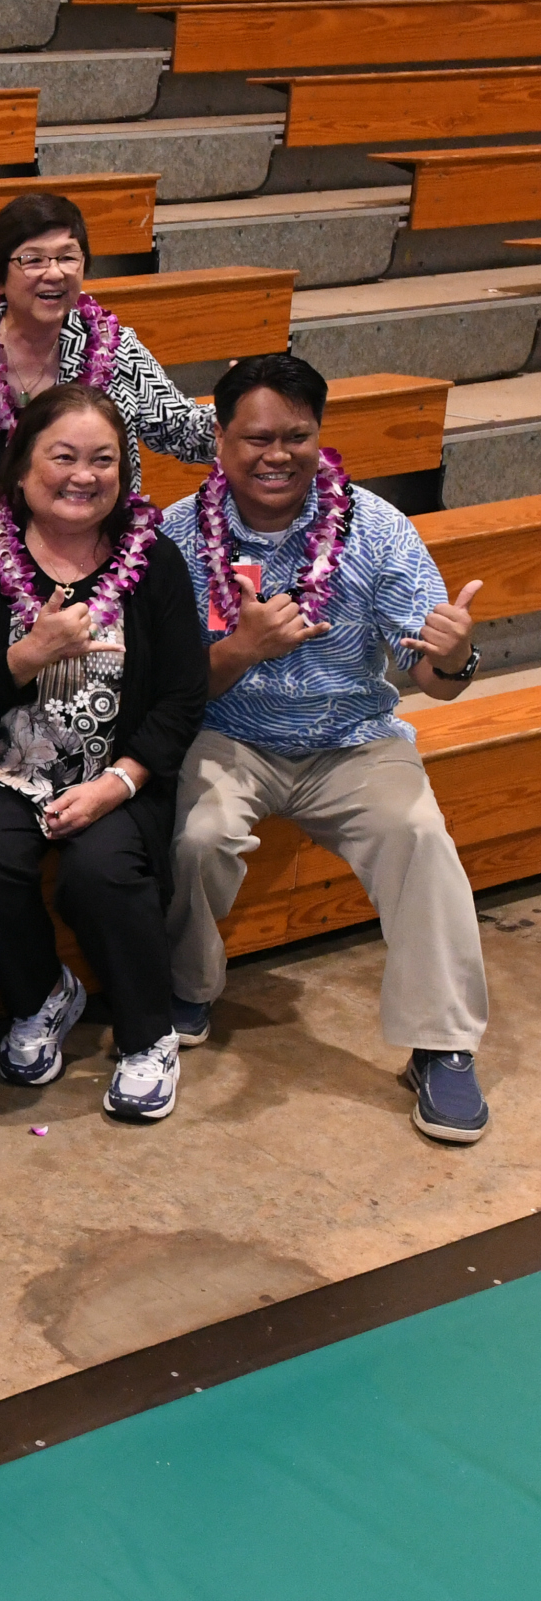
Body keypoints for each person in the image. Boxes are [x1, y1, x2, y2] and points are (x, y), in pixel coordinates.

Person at [161, 353, 492, 1140]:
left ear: (321, 436)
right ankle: (187, 987)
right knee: (197, 835)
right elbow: (167, 694)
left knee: (420, 834)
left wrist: (450, 656)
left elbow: (436, 679)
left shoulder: (376, 528)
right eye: (257, 437)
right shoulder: (176, 534)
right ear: (221, 438)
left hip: (353, 738)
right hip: (230, 734)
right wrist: (240, 649)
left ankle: (442, 1046)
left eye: (298, 437)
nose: (277, 455)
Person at [0, 384, 205, 1117]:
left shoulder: (153, 560)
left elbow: (183, 695)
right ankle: (42, 995)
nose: (83, 475)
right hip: (3, 769)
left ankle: (148, 1034)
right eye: (63, 456)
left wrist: (118, 783)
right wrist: (25, 657)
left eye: (103, 459)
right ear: (22, 467)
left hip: (117, 774)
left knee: (101, 867)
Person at [0, 193, 213, 493]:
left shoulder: (117, 349)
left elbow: (183, 430)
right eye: (33, 259)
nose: (54, 273)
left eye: (68, 257)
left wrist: (240, 407)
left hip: (91, 533)